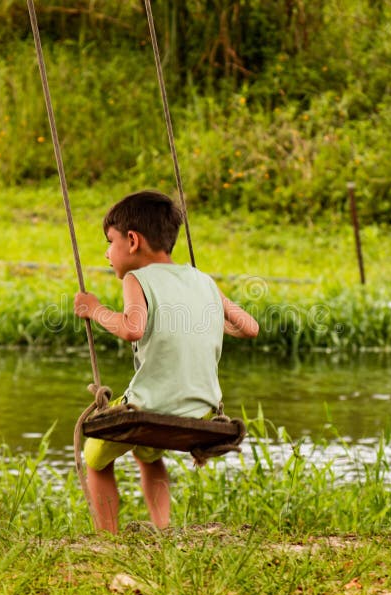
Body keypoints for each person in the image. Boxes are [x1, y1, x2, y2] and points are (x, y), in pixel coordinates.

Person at [73, 190, 259, 533]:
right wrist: (205, 313)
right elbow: (250, 327)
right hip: (201, 412)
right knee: (149, 453)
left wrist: (94, 309)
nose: (106, 253)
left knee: (94, 456)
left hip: (150, 406)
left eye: (109, 242)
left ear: (132, 240)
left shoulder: (136, 279)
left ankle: (108, 538)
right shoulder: (203, 281)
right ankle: (162, 528)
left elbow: (132, 329)